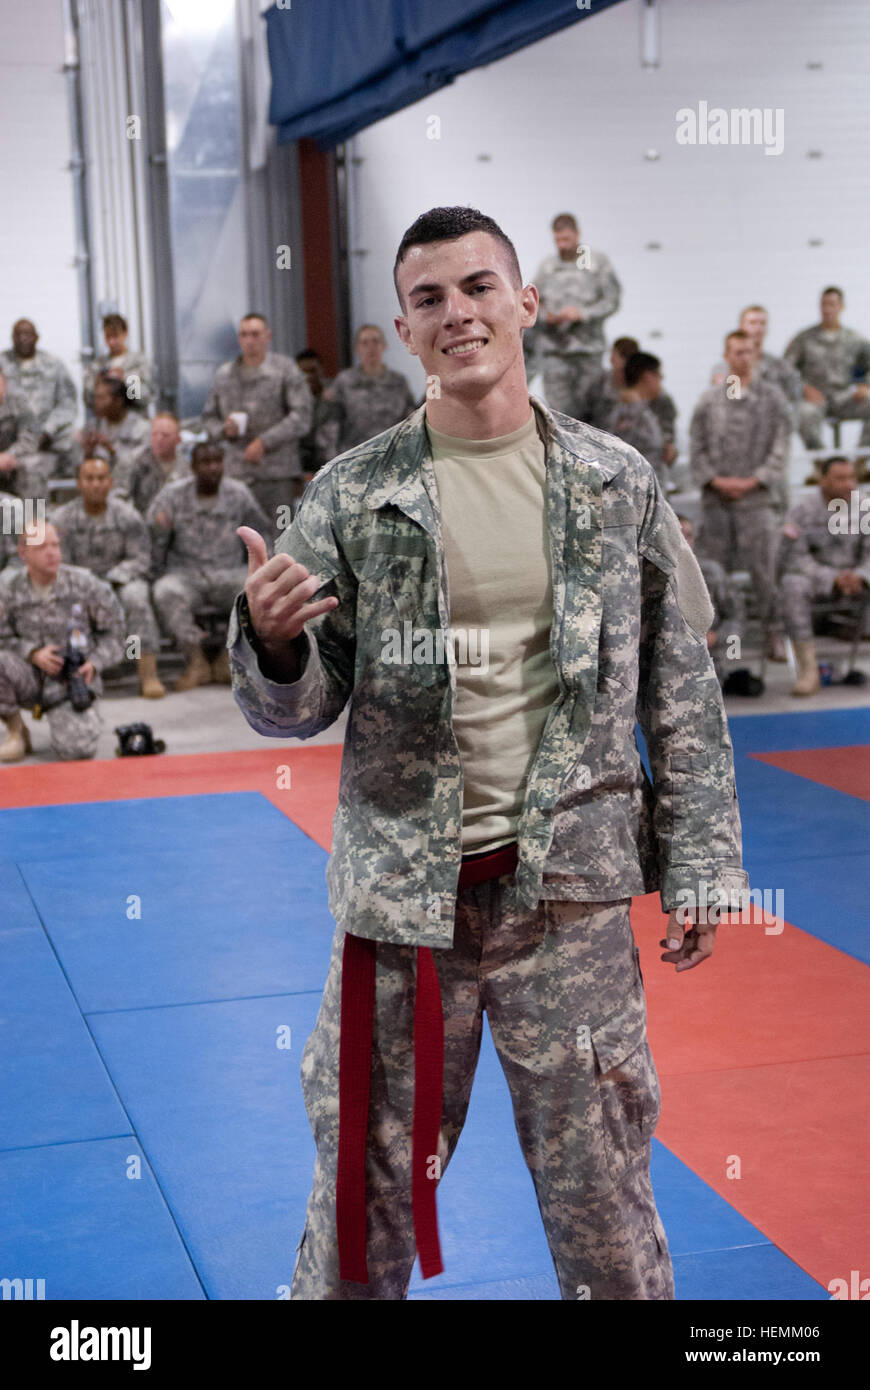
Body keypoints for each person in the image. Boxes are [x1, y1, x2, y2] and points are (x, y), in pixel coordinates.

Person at [229, 204, 748, 1302]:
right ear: (405, 330)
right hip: (403, 919)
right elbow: (295, 710)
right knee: (359, 1207)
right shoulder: (353, 496)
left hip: (570, 907)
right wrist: (274, 645)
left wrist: (700, 860)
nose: (458, 313)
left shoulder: (617, 483)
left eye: (478, 288)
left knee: (606, 1205)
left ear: (525, 302)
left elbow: (680, 682)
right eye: (430, 299)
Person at [690, 329, 791, 660]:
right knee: (712, 574)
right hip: (717, 500)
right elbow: (697, 446)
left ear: (755, 355)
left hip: (757, 500)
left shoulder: (774, 400)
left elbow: (781, 447)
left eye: (747, 351)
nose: (742, 357)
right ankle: (712, 637)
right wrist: (716, 480)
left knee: (765, 573)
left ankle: (775, 633)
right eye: (736, 351)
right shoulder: (709, 400)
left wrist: (754, 481)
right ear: (726, 354)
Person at [149, 440, 268, 691]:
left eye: (217, 462)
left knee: (252, 590)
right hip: (185, 573)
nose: (212, 468)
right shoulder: (172, 494)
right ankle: (196, 661)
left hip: (228, 571)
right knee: (165, 591)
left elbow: (262, 533)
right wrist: (160, 527)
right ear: (192, 466)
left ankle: (230, 661)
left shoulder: (239, 494)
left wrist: (260, 571)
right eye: (205, 462)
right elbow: (152, 534)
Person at [0, 521, 124, 762]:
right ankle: (16, 731)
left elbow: (119, 635)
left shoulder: (86, 584)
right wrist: (32, 652)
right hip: (28, 674)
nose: (52, 552)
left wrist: (96, 663)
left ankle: (82, 717)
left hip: (71, 678)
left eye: (55, 545)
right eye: (42, 547)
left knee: (77, 750)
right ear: (23, 552)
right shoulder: (6, 588)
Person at [52, 456, 165, 698]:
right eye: (89, 478)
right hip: (78, 585)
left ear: (110, 483)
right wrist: (90, 584)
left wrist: (112, 579)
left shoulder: (127, 516)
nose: (95, 484)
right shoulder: (62, 519)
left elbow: (141, 559)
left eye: (101, 478)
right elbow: (59, 562)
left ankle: (145, 670)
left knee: (136, 598)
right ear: (79, 483)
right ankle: (75, 672)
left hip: (119, 582)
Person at [200, 312, 312, 539]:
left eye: (255, 334)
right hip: (236, 476)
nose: (250, 340)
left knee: (283, 539)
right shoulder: (224, 375)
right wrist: (223, 429)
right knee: (240, 541)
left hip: (276, 476)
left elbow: (302, 417)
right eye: (244, 335)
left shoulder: (285, 370)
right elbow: (207, 419)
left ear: (267, 336)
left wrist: (264, 441)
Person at [778, 455, 869, 695]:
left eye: (851, 478)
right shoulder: (802, 511)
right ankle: (808, 670)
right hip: (818, 584)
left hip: (858, 582)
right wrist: (832, 578)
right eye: (840, 478)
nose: (849, 484)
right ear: (823, 481)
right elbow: (795, 558)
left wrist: (860, 575)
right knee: (792, 584)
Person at [531, 212, 621, 420]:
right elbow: (532, 302)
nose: (562, 245)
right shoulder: (547, 267)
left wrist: (583, 314)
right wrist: (547, 316)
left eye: (566, 239)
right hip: (556, 353)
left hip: (587, 352)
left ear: (577, 234)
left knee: (594, 415)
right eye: (558, 240)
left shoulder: (596, 262)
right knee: (559, 417)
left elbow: (612, 301)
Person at [677, 514, 758, 696]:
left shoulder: (712, 572)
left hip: (705, 656)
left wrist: (717, 636)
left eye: (688, 535)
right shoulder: (645, 574)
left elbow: (737, 618)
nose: (684, 541)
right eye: (677, 535)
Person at [784, 288, 870, 449]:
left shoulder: (853, 339)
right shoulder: (804, 338)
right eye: (823, 304)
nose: (827, 309)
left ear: (841, 307)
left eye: (832, 304)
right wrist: (803, 388)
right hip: (815, 398)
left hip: (843, 396)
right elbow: (785, 370)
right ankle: (825, 467)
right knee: (803, 414)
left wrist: (866, 385)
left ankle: (858, 465)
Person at [0, 318, 79, 478]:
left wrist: (48, 430)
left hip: (48, 433)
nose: (23, 338)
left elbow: (68, 403)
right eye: (18, 334)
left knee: (75, 441)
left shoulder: (53, 364)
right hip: (11, 434)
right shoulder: (2, 363)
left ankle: (71, 491)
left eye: (27, 334)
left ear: (37, 337)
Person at [325, 325, 416, 454]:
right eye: (365, 343)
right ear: (357, 349)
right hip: (355, 457)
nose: (371, 347)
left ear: (384, 346)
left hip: (391, 455)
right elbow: (332, 423)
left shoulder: (398, 382)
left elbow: (410, 420)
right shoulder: (345, 381)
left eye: (376, 341)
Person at [604, 352, 667, 487]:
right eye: (659, 376)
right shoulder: (629, 413)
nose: (661, 380)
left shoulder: (641, 410)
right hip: (637, 495)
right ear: (647, 376)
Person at [113, 411, 191, 515]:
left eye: (165, 435)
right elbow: (118, 498)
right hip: (138, 522)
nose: (159, 439)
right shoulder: (132, 461)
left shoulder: (186, 468)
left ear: (178, 439)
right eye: (154, 434)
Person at [81, 373, 150, 483]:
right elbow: (79, 470)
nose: (96, 403)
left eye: (101, 398)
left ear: (118, 401)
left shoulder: (141, 428)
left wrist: (112, 451)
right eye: (96, 398)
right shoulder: (92, 427)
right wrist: (87, 454)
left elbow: (143, 467)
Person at [82, 312, 156, 415]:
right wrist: (100, 383)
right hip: (107, 422)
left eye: (115, 336)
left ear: (125, 334)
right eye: (108, 337)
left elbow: (146, 397)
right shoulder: (98, 364)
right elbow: (88, 399)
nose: (111, 342)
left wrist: (125, 379)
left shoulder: (138, 362)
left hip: (134, 421)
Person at [295, 349, 341, 479]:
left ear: (321, 370)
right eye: (304, 372)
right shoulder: (292, 398)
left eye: (313, 370)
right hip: (303, 464)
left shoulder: (335, 393)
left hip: (333, 461)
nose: (309, 376)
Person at [0, 364, 42, 502]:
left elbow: (29, 440)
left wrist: (8, 456)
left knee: (32, 465)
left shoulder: (19, 403)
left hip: (11, 462)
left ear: (4, 382)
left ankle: (35, 520)